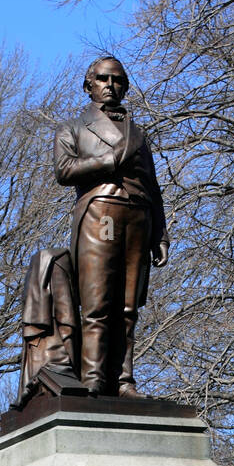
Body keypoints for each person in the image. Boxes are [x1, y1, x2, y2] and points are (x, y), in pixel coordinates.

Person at [53, 56, 169, 397]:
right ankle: (93, 378)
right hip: (100, 211)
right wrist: (109, 161)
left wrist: (160, 233)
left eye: (117, 80)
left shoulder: (139, 134)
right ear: (89, 85)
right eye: (102, 79)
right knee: (98, 300)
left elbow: (152, 184)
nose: (110, 85)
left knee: (129, 306)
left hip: (138, 216)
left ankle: (123, 379)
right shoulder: (72, 128)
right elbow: (64, 170)